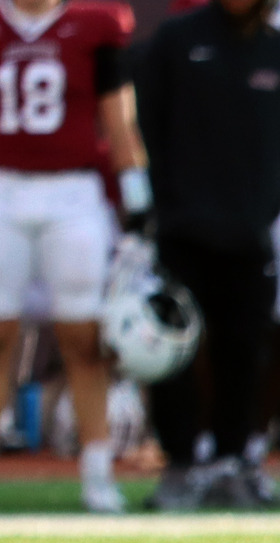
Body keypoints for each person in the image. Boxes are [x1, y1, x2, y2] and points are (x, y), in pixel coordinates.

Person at [136, 0, 280, 510]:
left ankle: (232, 462)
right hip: (183, 229)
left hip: (248, 234)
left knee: (244, 352)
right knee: (177, 353)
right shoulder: (176, 43)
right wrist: (163, 201)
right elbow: (149, 122)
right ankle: (180, 464)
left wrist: (265, 205)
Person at [0, 0, 150, 513]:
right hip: (3, 191)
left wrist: (138, 202)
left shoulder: (95, 24)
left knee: (83, 339)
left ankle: (97, 473)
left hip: (74, 196)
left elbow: (119, 119)